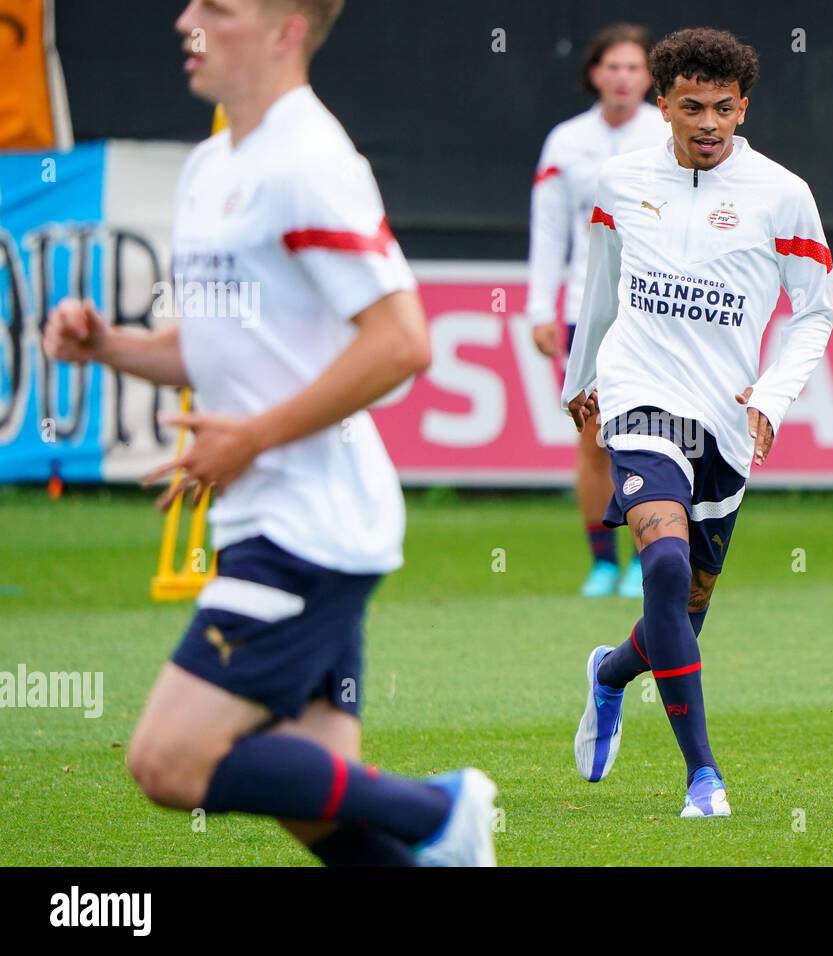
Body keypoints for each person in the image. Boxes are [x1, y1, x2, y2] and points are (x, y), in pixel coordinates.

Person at [43, 0, 496, 866]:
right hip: (289, 519)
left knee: (168, 762)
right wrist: (110, 345)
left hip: (307, 526)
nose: (186, 22)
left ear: (287, 29)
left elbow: (401, 340)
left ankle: (436, 808)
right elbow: (214, 342)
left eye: (217, 7)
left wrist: (250, 439)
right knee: (318, 805)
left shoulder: (310, 164)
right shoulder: (213, 164)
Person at [563, 27, 833, 818]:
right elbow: (602, 285)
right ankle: (703, 780)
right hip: (639, 393)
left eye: (723, 108)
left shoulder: (784, 194)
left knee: (682, 612)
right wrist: (582, 380)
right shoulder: (620, 180)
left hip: (727, 414)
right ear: (663, 106)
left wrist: (772, 396)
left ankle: (611, 673)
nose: (709, 123)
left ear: (743, 106)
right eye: (692, 108)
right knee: (666, 568)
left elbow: (813, 313)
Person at [527, 23, 665, 599]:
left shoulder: (666, 134)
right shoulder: (566, 142)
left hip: (651, 308)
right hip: (589, 309)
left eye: (634, 68)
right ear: (594, 74)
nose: (623, 78)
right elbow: (550, 227)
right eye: (613, 67)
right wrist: (540, 304)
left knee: (649, 435)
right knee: (592, 438)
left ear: (648, 78)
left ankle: (646, 560)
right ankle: (602, 562)